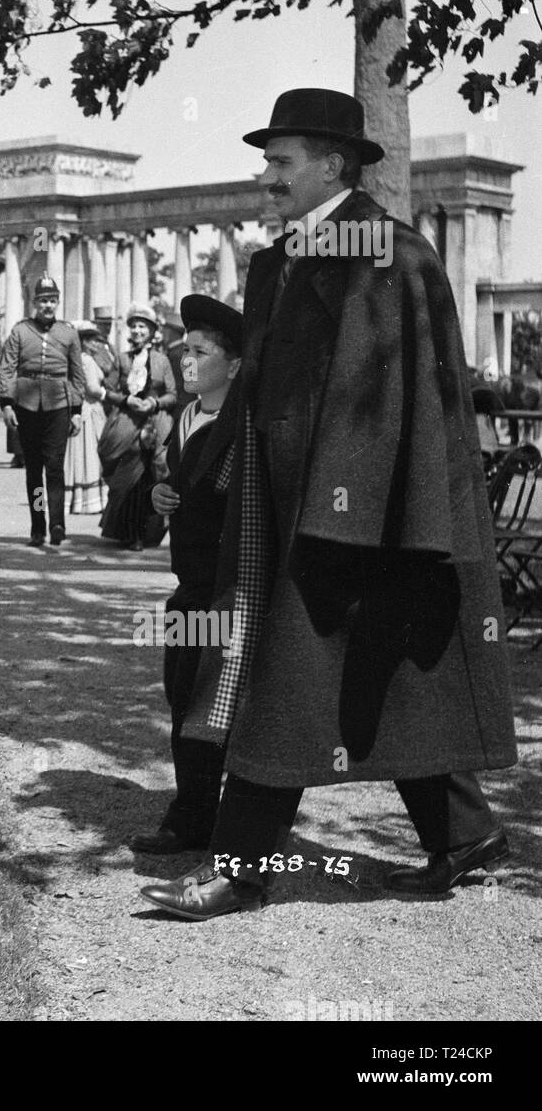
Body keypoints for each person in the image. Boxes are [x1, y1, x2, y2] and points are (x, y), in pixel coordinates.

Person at [141, 87, 518, 921]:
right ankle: (462, 834)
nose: (266, 176)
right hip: (284, 510)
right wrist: (210, 480)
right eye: (266, 161)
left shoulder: (388, 253)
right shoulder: (278, 260)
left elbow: (395, 404)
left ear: (334, 165)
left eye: (281, 161)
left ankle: (241, 867)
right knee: (378, 675)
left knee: (286, 681)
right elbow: (260, 391)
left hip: (354, 520)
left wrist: (337, 521)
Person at [130, 295, 242, 854]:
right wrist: (160, 493)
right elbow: (175, 480)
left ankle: (196, 815)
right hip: (190, 583)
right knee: (180, 689)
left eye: (201, 351)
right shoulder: (188, 416)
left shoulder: (241, 426)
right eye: (185, 349)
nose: (187, 359)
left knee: (208, 699)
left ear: (236, 364)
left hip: (225, 587)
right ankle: (195, 808)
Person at [0, 275, 86, 547]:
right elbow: (7, 368)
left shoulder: (68, 332)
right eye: (43, 300)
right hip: (26, 404)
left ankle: (57, 525)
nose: (48, 305)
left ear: (57, 302)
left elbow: (77, 373)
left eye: (52, 300)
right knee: (33, 468)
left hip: (59, 404)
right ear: (34, 303)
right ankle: (37, 527)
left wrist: (77, 409)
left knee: (55, 467)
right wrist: (7, 403)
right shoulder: (20, 331)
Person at [97, 301, 178, 549]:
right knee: (127, 479)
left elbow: (173, 394)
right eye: (134, 327)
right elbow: (107, 391)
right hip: (127, 425)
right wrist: (126, 400)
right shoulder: (122, 360)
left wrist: (154, 403)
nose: (138, 331)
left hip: (155, 425)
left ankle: (147, 533)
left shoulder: (162, 361)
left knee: (151, 477)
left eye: (143, 327)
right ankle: (128, 532)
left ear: (152, 331)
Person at [65, 321, 109, 515]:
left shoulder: (76, 359)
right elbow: (92, 388)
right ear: (82, 342)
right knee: (90, 452)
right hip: (89, 410)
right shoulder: (87, 361)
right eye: (90, 340)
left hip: (79, 409)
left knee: (79, 453)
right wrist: (107, 394)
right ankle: (89, 500)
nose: (95, 344)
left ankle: (76, 498)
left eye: (96, 340)